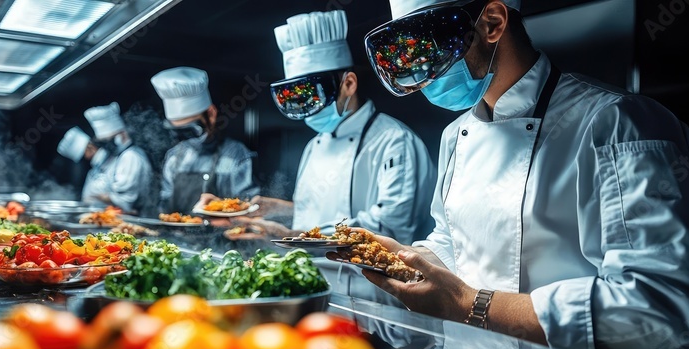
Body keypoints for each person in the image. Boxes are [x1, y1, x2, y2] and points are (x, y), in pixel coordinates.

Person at [358, 0, 689, 349]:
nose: (424, 73)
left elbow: (665, 310)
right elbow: (454, 243)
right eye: (410, 58)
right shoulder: (455, 136)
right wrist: (403, 260)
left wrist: (468, 305)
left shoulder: (616, 123)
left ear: (492, 23)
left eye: (432, 50)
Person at [215, 10, 437, 244]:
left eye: (313, 95)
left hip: (362, 270)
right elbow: (317, 212)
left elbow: (389, 227)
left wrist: (293, 236)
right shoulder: (315, 144)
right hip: (310, 265)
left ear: (348, 84)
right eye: (297, 98)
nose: (307, 108)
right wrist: (281, 208)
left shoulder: (394, 141)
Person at [150, 67, 260, 213]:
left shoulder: (237, 155)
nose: (187, 140)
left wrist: (220, 206)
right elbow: (165, 201)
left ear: (211, 114)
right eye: (179, 133)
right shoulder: (173, 157)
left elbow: (250, 207)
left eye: (191, 130)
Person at [56, 102, 153, 214]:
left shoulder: (131, 157)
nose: (105, 146)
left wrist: (98, 197)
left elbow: (126, 202)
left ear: (121, 135)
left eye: (108, 140)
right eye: (103, 142)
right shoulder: (119, 157)